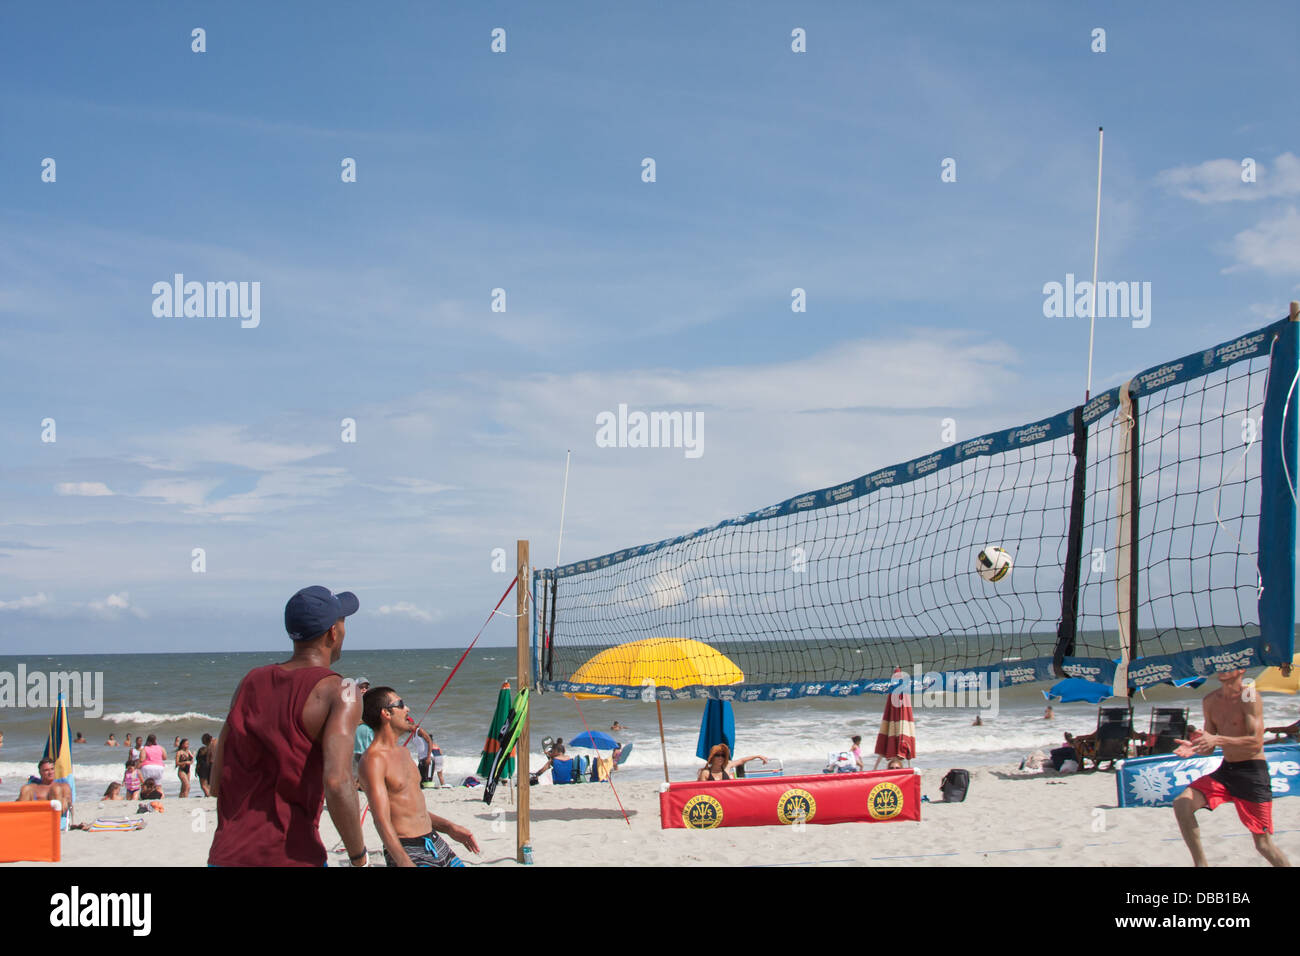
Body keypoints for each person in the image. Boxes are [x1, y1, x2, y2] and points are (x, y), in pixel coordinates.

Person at [207, 585, 369, 867]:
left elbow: (217, 780)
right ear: (333, 632)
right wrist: (359, 857)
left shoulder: (250, 682)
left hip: (226, 856)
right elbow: (337, 781)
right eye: (343, 622)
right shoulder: (342, 690)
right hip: (293, 856)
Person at [1172, 669, 1291, 867]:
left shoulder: (1249, 696)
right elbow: (1208, 747)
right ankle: (1201, 864)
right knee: (1182, 804)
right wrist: (1194, 747)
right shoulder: (1210, 700)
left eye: (1230, 666)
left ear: (1242, 670)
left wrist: (1216, 739)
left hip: (1253, 773)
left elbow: (1255, 742)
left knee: (1263, 845)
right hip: (1226, 770)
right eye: (1221, 666)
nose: (1223, 670)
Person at [359, 687, 480, 867]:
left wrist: (449, 827)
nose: (407, 709)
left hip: (433, 840)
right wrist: (404, 862)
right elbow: (381, 820)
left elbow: (413, 809)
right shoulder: (373, 760)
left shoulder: (404, 753)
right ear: (386, 713)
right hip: (405, 848)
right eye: (400, 704)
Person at [696, 744, 767, 781]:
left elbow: (741, 760)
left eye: (723, 755)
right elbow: (702, 791)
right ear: (712, 757)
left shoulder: (726, 766)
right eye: (718, 755)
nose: (721, 757)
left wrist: (757, 756)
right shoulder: (706, 773)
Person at [352, 677, 374, 786]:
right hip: (355, 740)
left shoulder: (371, 703)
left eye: (366, 687)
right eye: (361, 687)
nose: (364, 689)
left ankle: (364, 783)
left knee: (368, 762)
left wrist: (364, 720)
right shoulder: (351, 702)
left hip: (369, 737)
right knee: (355, 763)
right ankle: (357, 783)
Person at [195, 733, 215, 797]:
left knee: (203, 785)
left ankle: (208, 795)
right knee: (208, 784)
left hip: (202, 767)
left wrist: (196, 770)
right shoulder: (213, 748)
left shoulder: (202, 749)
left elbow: (198, 761)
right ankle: (208, 795)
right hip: (209, 766)